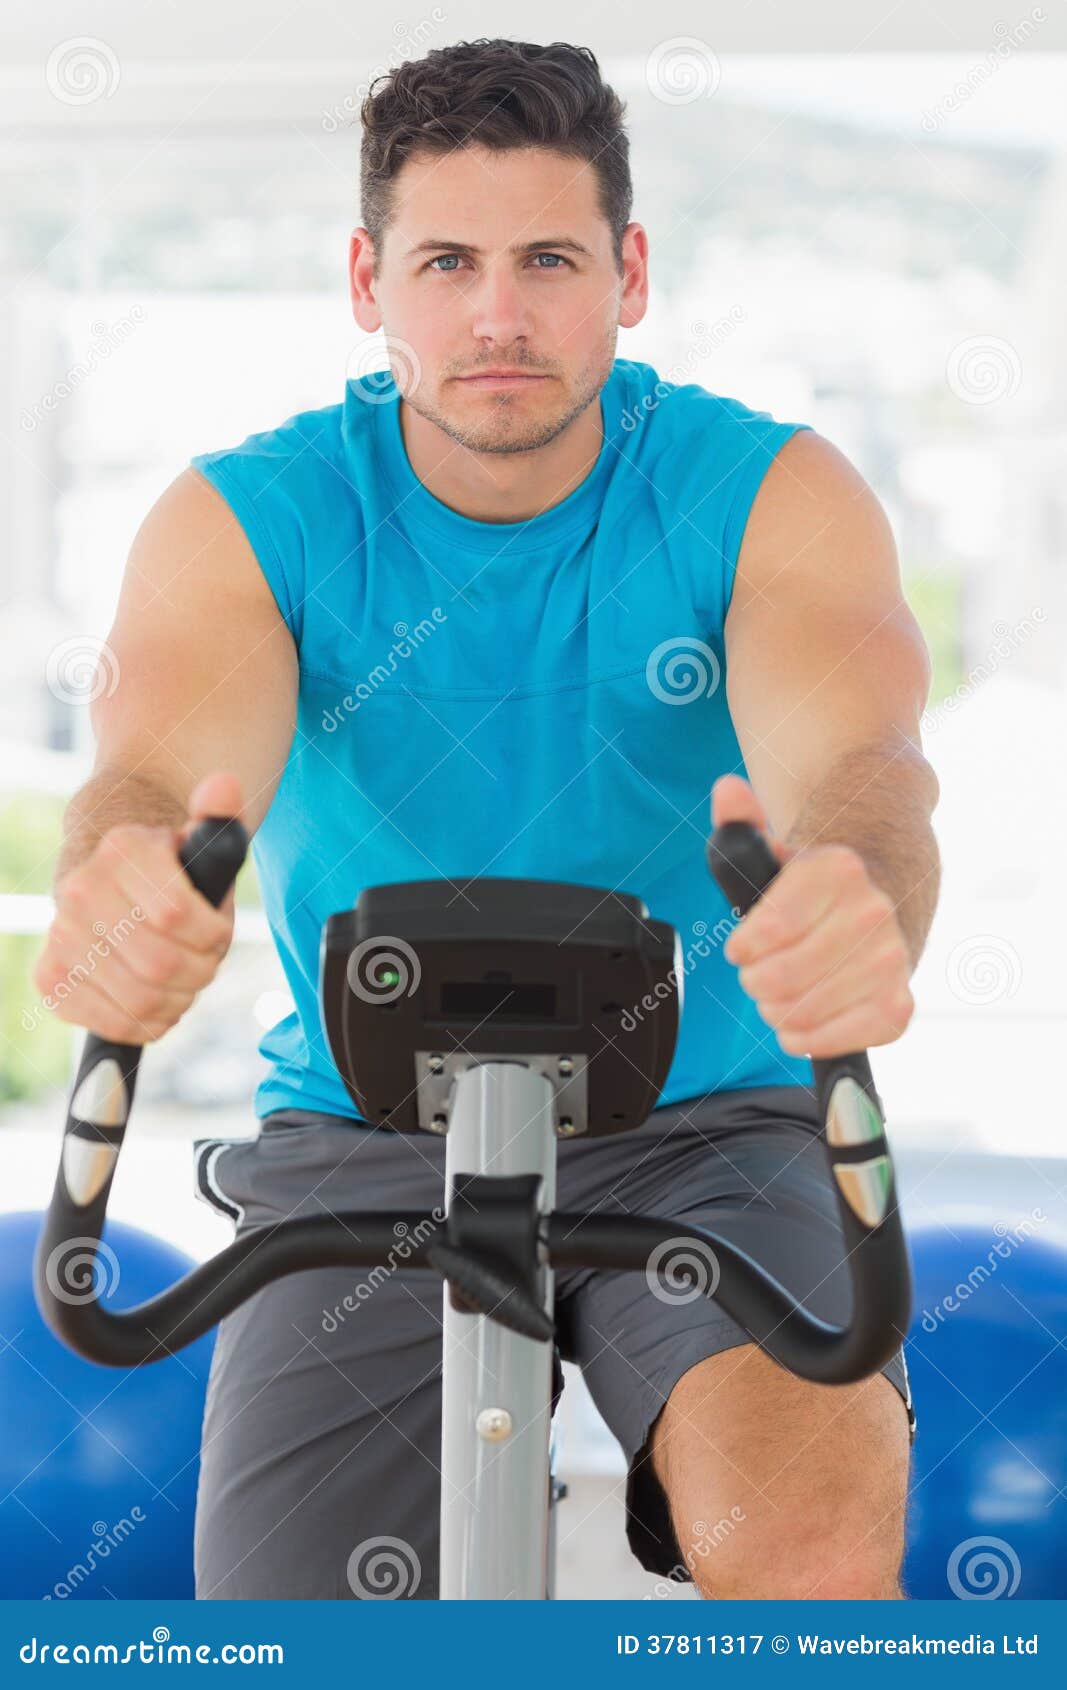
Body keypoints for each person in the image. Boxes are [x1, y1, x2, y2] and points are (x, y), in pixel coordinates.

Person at [34, 38, 940, 1601]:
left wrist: (855, 889)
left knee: (809, 1555)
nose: (498, 315)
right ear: (369, 281)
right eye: (448, 262)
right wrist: (122, 877)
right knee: (300, 1635)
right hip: (369, 1131)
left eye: (549, 261)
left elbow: (866, 768)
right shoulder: (251, 515)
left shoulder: (767, 491)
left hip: (711, 1123)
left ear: (629, 274)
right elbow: (150, 780)